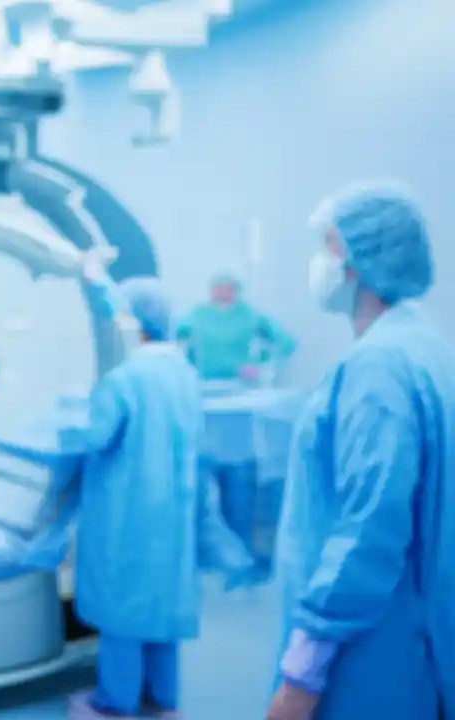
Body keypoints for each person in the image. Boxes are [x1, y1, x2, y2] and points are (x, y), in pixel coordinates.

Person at [268, 181, 455, 720]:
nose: (319, 265)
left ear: (359, 263)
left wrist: (303, 673)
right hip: (418, 634)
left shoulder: (378, 367)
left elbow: (368, 527)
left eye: (328, 248)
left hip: (371, 652)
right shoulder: (427, 348)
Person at [63, 273, 253, 720]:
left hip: (129, 522)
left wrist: (70, 418)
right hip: (172, 519)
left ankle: (115, 703)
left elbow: (95, 436)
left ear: (129, 323)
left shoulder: (124, 380)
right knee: (162, 617)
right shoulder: (184, 375)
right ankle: (163, 701)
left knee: (122, 619)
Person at [177, 273, 296, 382]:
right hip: (205, 384)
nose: (222, 292)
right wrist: (188, 364)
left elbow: (286, 342)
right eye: (218, 288)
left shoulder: (248, 315)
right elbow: (173, 338)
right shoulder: (199, 315)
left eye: (227, 288)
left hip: (240, 386)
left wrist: (261, 363)